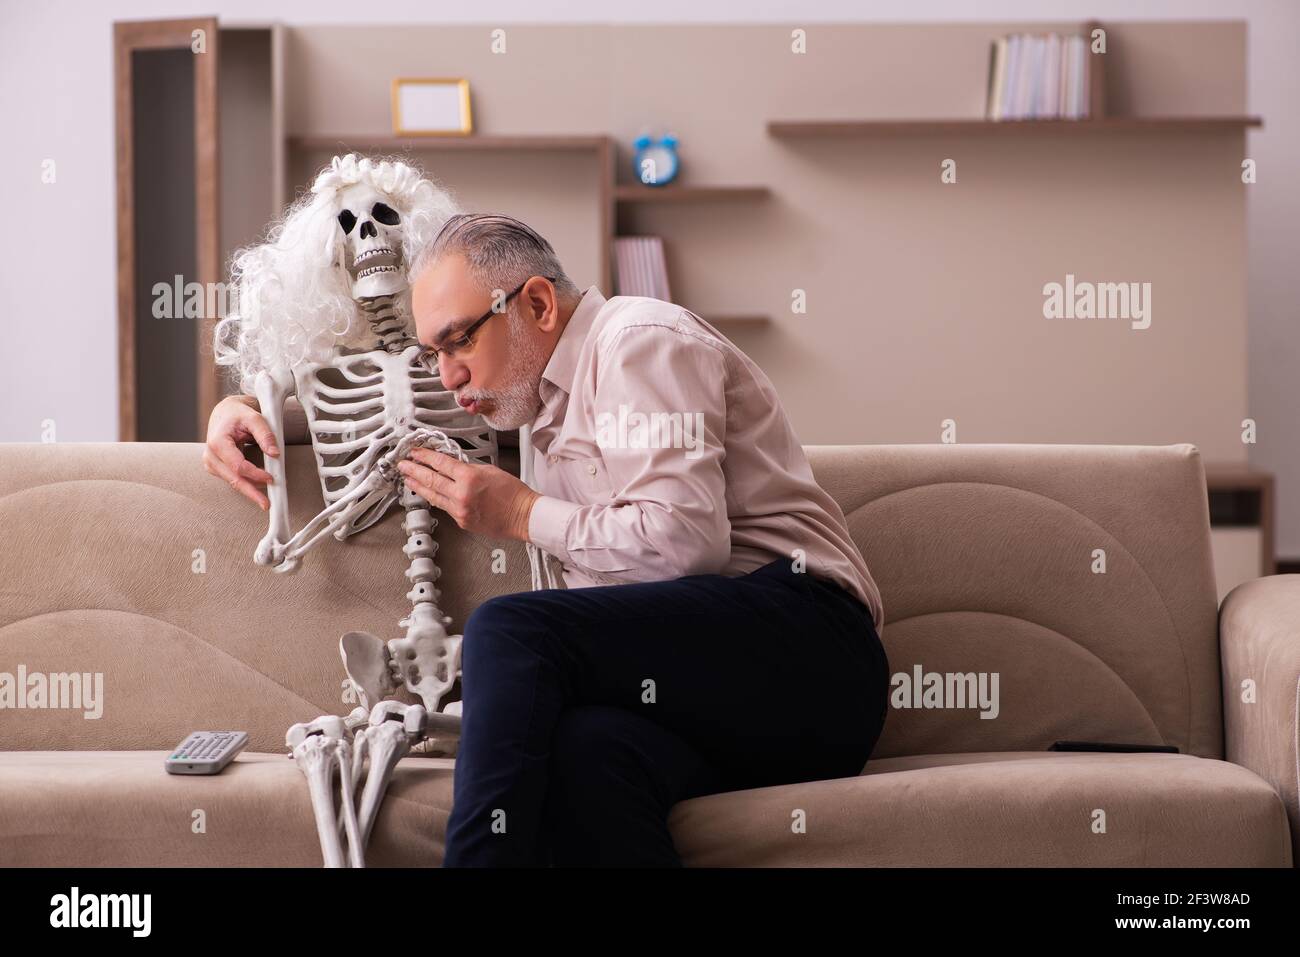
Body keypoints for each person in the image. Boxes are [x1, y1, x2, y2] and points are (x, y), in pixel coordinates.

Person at [203, 212, 890, 867]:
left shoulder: (639, 343)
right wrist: (237, 408)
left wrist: (525, 512)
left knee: (510, 630)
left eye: (458, 340)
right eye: (433, 352)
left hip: (812, 655)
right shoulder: (532, 402)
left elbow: (685, 544)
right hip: (726, 707)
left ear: (536, 305)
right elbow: (378, 425)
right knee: (585, 754)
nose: (447, 376)